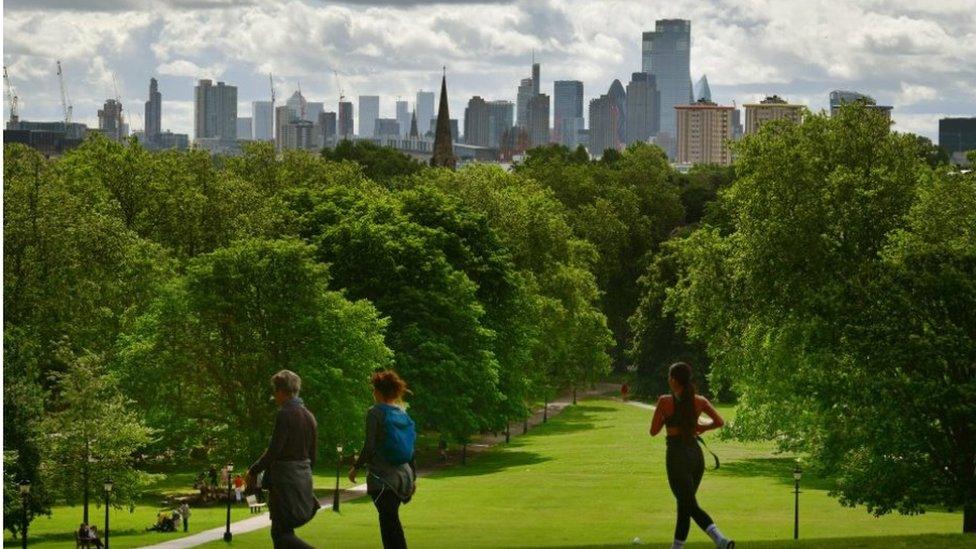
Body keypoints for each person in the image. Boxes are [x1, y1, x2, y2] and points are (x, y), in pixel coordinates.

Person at [649, 362, 735, 549]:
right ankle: (677, 547)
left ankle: (720, 540)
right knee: (684, 503)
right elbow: (719, 421)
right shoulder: (700, 401)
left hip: (677, 456)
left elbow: (653, 431)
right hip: (696, 456)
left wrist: (666, 418)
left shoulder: (664, 401)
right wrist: (701, 428)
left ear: (673, 380)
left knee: (688, 503)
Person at [246, 370, 320, 549]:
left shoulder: (285, 414)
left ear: (281, 391)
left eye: (275, 391)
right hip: (302, 477)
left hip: (285, 481)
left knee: (280, 534)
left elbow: (274, 451)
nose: (274, 396)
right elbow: (313, 455)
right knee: (284, 532)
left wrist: (253, 470)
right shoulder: (309, 416)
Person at [349, 370, 417, 549]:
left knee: (389, 525)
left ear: (378, 392)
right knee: (391, 522)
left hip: (383, 479)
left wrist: (356, 467)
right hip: (404, 477)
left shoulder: (375, 412)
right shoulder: (403, 414)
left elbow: (369, 446)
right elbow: (411, 450)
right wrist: (413, 478)